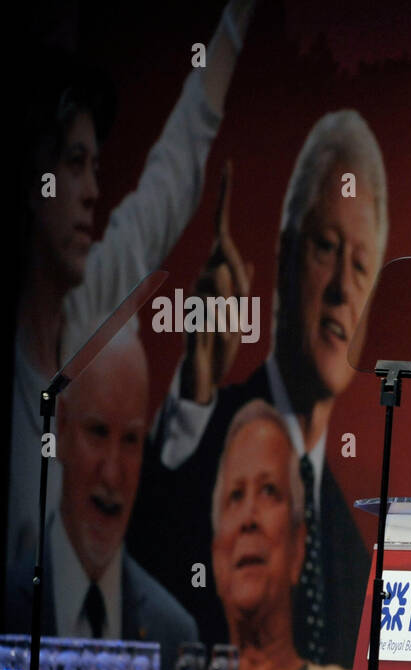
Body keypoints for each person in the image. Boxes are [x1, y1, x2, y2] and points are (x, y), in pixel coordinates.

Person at [130, 109, 387, 670]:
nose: (343, 288)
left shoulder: (348, 544)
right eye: (325, 246)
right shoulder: (200, 432)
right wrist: (196, 391)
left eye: (362, 267)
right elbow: (140, 571)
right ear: (285, 256)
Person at [10, 0, 255, 572]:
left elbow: (175, 166)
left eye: (96, 166)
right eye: (75, 164)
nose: (94, 191)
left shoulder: (97, 295)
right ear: (29, 177)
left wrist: (236, 19)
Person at [4, 334, 197, 670]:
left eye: (130, 440)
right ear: (59, 429)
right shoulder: (9, 606)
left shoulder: (174, 636)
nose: (112, 472)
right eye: (97, 432)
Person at [209, 399, 351, 670]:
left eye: (269, 491)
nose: (249, 518)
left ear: (298, 548)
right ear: (216, 557)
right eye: (235, 495)